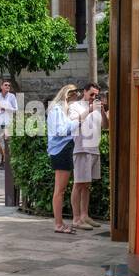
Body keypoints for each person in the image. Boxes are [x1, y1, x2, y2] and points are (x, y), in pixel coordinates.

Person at [71, 84, 107, 230]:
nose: (94, 98)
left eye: (96, 95)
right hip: (81, 149)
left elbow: (105, 126)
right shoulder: (76, 106)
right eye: (91, 94)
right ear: (84, 92)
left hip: (94, 149)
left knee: (87, 185)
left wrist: (103, 112)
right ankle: (76, 219)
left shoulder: (97, 108)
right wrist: (90, 110)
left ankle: (85, 215)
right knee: (78, 184)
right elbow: (74, 122)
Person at [46, 84, 78, 235]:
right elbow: (61, 131)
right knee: (60, 190)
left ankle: (59, 223)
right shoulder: (57, 110)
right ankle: (58, 224)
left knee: (60, 190)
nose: (76, 100)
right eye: (74, 96)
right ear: (68, 95)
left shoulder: (61, 110)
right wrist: (79, 120)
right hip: (61, 150)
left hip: (63, 150)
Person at [0, 79, 17, 170]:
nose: (7, 86)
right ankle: (3, 155)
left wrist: (6, 108)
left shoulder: (12, 96)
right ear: (1, 87)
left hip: (8, 121)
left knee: (6, 140)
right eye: (5, 85)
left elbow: (16, 109)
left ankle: (5, 162)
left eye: (9, 85)